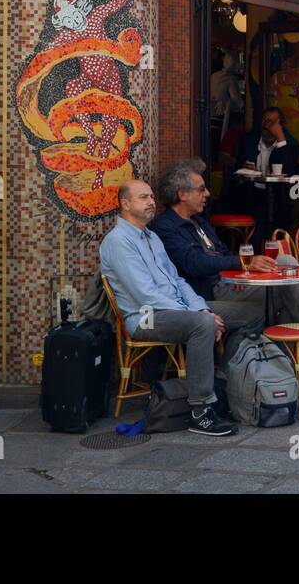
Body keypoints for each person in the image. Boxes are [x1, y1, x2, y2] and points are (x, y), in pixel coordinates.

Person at [150, 159, 299, 354]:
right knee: (286, 293)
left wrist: (242, 272)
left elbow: (222, 252)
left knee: (286, 264)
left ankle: (290, 354)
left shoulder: (199, 221)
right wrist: (243, 263)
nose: (207, 194)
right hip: (210, 291)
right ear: (182, 194)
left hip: (230, 282)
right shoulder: (166, 227)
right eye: (201, 189)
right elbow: (194, 263)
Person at [99, 179, 238, 436]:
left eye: (152, 196)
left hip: (178, 308)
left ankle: (228, 388)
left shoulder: (151, 236)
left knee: (248, 313)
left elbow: (177, 280)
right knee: (203, 325)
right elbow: (145, 295)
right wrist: (198, 315)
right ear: (125, 204)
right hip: (146, 317)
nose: (151, 201)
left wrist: (200, 308)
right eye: (143, 197)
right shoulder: (118, 241)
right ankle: (200, 411)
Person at [232, 105, 299, 245]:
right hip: (250, 195)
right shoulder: (248, 141)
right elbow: (236, 169)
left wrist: (280, 137)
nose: (266, 126)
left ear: (280, 125)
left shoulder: (292, 145)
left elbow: (287, 169)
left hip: (278, 198)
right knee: (257, 213)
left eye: (270, 122)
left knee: (268, 215)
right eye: (264, 121)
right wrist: (244, 168)